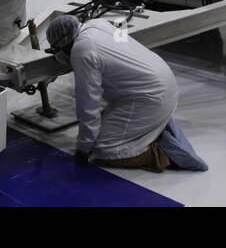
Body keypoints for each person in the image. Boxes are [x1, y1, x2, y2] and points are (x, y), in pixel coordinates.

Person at [45, 14, 207, 173]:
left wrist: (83, 148)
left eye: (57, 51)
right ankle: (155, 127)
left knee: (103, 148)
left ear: (65, 45)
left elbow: (88, 103)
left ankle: (162, 155)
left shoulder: (81, 51)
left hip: (150, 97)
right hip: (164, 81)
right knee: (106, 124)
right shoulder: (98, 24)